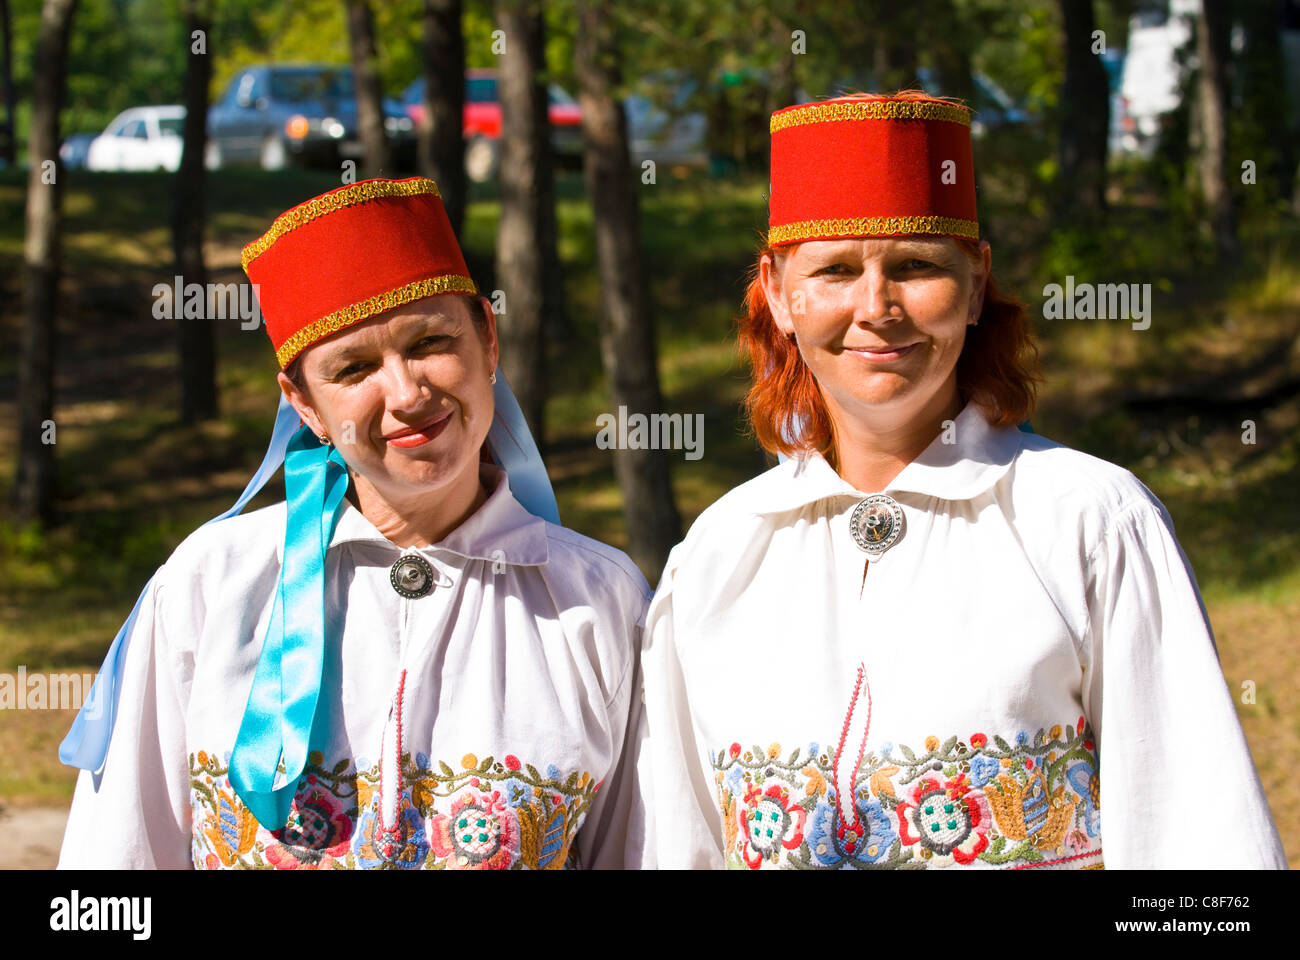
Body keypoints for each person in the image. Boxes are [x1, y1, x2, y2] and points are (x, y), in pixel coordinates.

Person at [632, 92, 1288, 869]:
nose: (876, 309)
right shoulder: (715, 557)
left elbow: (1198, 842)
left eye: (915, 267)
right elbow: (678, 847)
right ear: (779, 292)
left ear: (976, 284)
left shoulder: (1090, 519)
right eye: (835, 270)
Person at [58, 177, 649, 869]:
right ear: (302, 402)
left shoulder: (599, 602)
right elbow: (117, 865)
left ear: (488, 338)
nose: (406, 394)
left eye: (431, 341)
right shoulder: (210, 584)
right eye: (355, 367)